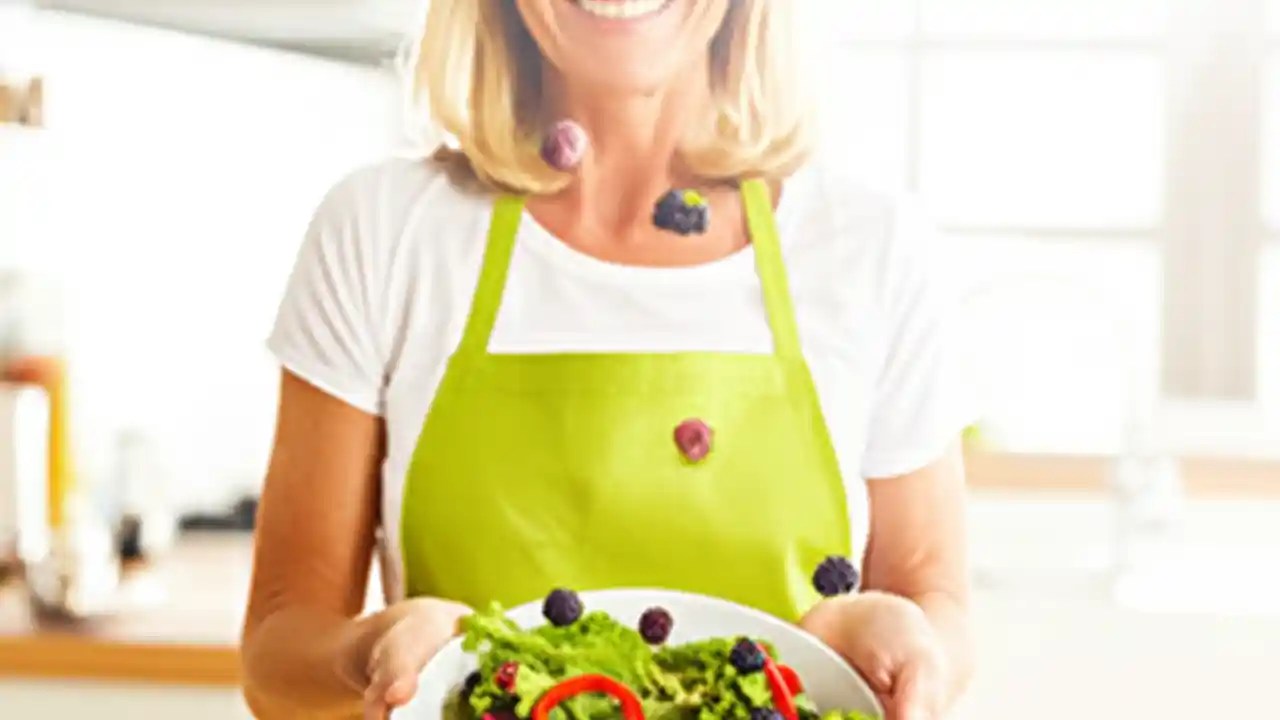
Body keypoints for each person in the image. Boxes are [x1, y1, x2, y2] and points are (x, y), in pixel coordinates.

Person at [240, 1, 975, 719]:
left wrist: (905, 646)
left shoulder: (871, 247)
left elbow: (931, 599)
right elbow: (279, 656)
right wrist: (372, 651)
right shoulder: (383, 231)